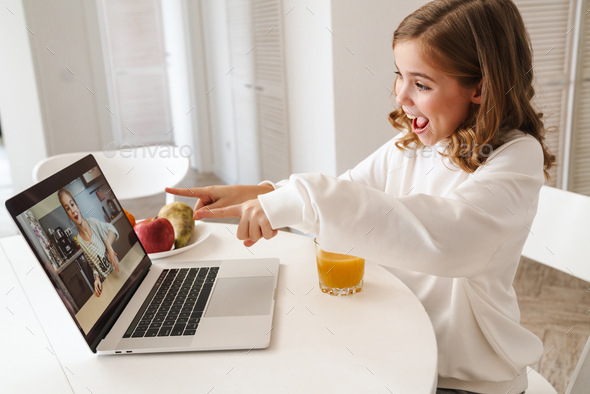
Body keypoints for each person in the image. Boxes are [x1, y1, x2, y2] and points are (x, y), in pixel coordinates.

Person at [167, 0, 556, 392]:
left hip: (467, 380)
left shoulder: (515, 157)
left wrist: (302, 199)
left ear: (480, 87)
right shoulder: (412, 146)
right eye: (399, 76)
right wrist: (264, 192)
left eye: (421, 84)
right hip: (402, 352)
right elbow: (349, 195)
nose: (401, 96)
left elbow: (447, 240)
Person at [58, 188, 120, 298]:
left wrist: (108, 244)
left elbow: (112, 229)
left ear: (77, 206)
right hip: (108, 284)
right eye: (67, 208)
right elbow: (93, 264)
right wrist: (97, 279)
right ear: (68, 214)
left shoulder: (92, 222)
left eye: (72, 205)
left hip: (118, 273)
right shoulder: (80, 240)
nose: (72, 210)